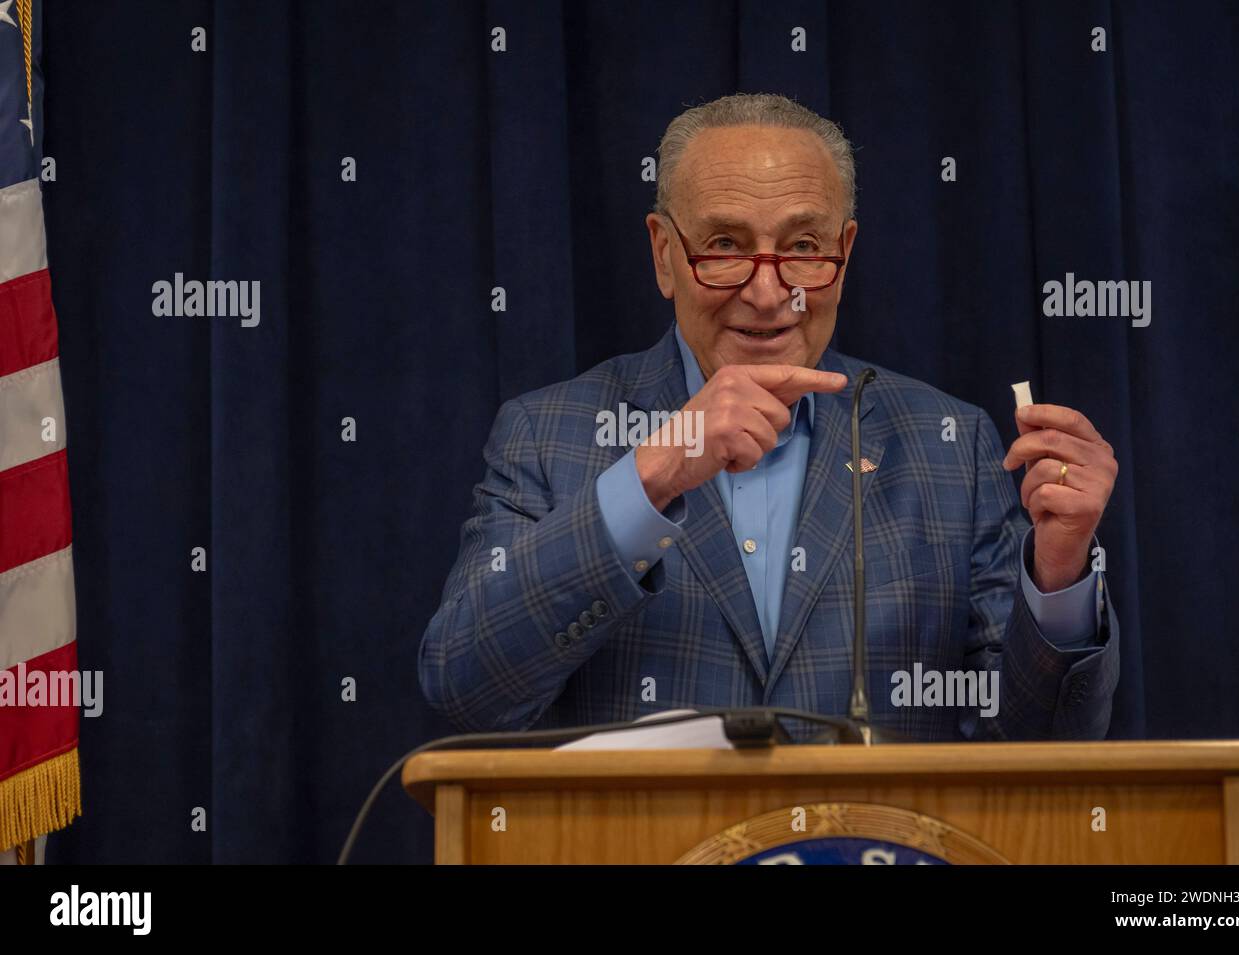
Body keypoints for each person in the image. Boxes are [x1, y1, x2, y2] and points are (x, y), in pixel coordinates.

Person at [419, 93, 1119, 741]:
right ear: (664, 254)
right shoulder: (548, 436)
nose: (767, 290)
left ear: (843, 255)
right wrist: (653, 475)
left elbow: (1032, 751)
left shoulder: (951, 448)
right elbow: (466, 687)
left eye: (803, 248)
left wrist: (1057, 576)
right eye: (723, 245)